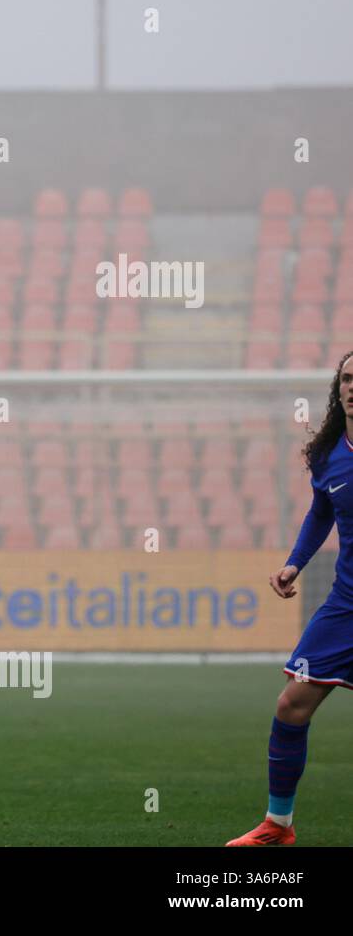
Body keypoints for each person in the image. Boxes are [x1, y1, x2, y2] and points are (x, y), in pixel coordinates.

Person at [228, 350, 353, 845]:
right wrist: (294, 562)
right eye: (347, 377)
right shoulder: (329, 456)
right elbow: (321, 512)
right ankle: (278, 825)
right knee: (291, 705)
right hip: (346, 604)